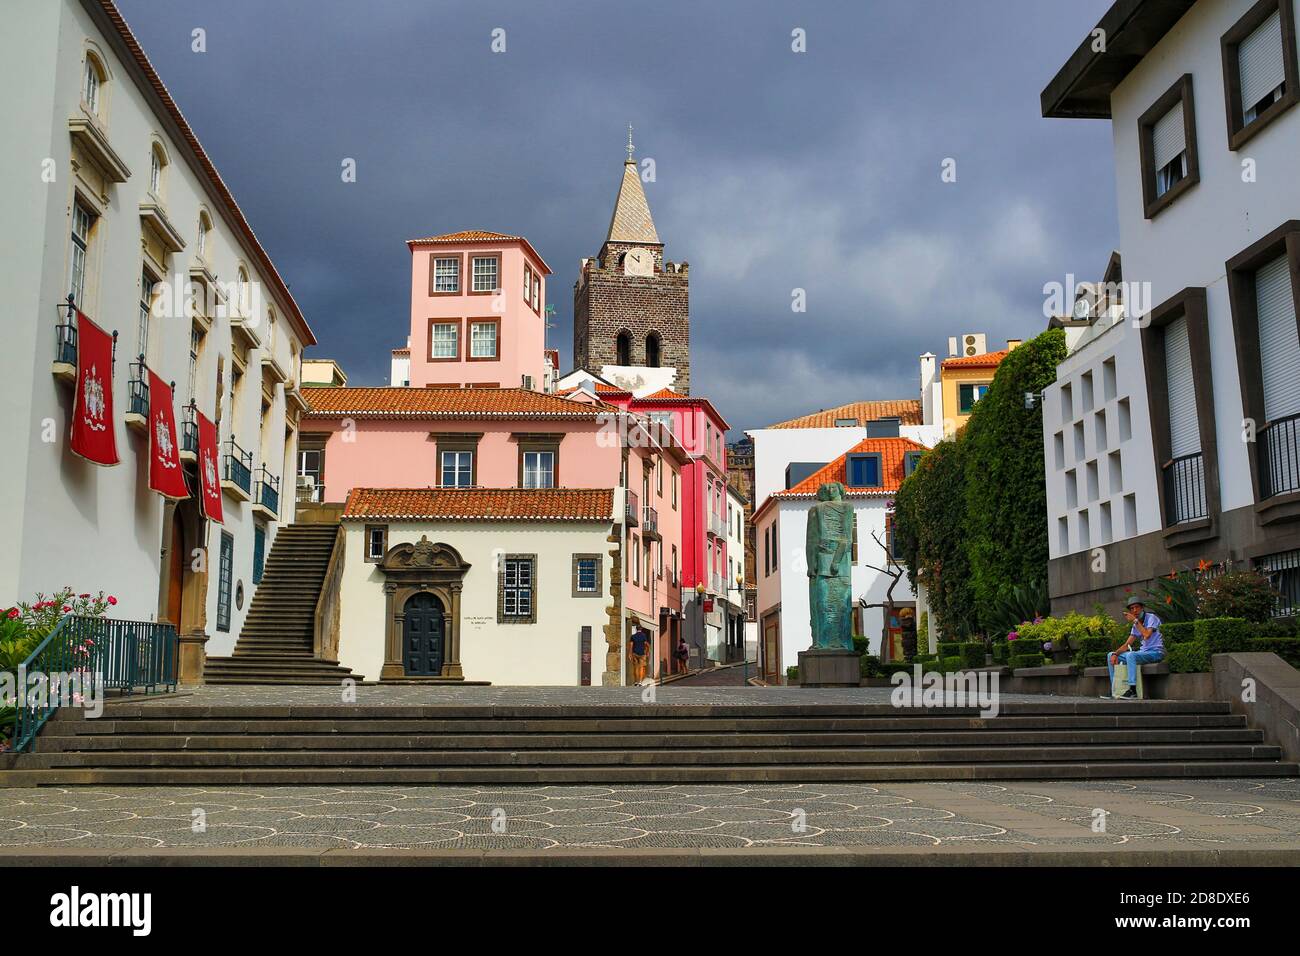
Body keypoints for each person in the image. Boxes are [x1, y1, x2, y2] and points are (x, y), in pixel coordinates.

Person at [1106, 599, 1165, 699]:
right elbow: (1126, 645)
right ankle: (1115, 690)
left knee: (1131, 655)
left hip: (1156, 653)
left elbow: (1146, 635)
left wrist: (1135, 621)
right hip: (1143, 653)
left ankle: (1133, 690)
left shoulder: (1151, 618)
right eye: (1132, 608)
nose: (1135, 610)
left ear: (1142, 608)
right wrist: (1116, 654)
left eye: (1137, 607)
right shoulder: (1135, 625)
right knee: (1110, 655)